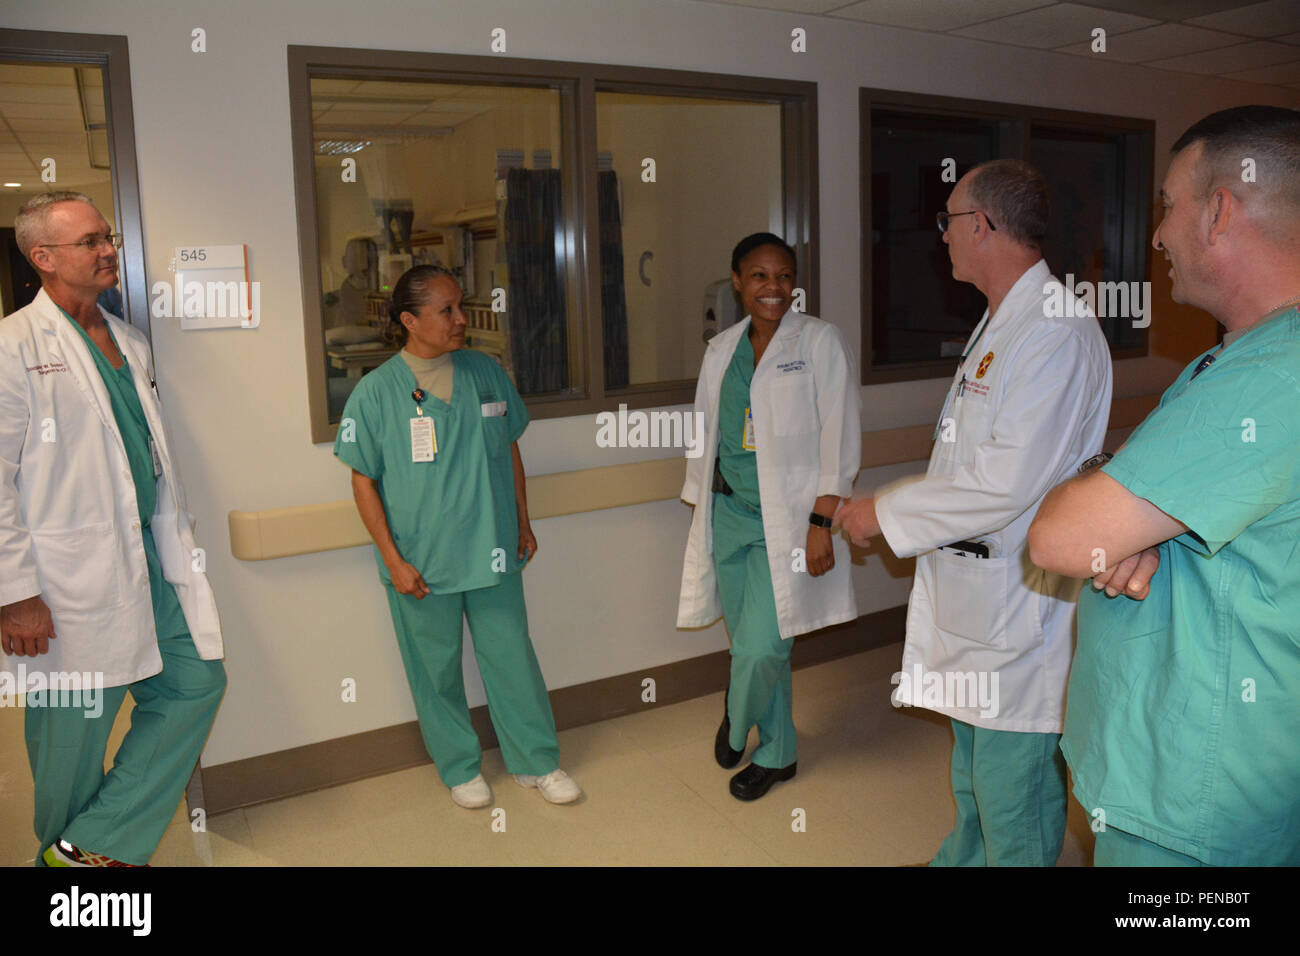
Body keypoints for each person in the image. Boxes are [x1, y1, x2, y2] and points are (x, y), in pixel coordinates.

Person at [1029, 106, 1300, 866]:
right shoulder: (1233, 361)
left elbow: (1058, 539)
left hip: (1203, 807)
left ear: (1218, 211)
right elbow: (1119, 506)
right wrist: (1120, 516)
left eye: (1168, 205)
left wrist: (1105, 518)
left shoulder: (1273, 376)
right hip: (1190, 771)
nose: (1156, 235)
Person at [837, 160, 1112, 865]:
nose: (943, 238)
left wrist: (884, 511)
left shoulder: (1053, 330)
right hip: (977, 605)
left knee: (1010, 794)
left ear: (984, 226)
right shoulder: (1002, 323)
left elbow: (1002, 481)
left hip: (1019, 617)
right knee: (972, 781)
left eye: (949, 221)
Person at [0, 191, 227, 866]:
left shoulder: (128, 341)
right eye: (91, 242)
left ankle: (87, 847)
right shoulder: (13, 347)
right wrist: (14, 592)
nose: (108, 252)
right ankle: (73, 879)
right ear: (43, 258)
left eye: (108, 239)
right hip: (60, 581)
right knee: (72, 738)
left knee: (196, 686)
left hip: (147, 564)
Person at [334, 263, 580, 808]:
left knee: (512, 658)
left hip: (492, 549)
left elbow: (509, 447)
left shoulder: (486, 373)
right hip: (421, 562)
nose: (460, 319)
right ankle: (460, 768)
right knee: (435, 671)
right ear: (409, 320)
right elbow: (363, 481)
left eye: (460, 306)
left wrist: (522, 519)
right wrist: (393, 560)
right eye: (446, 310)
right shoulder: (375, 394)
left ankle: (536, 761)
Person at [677, 233, 861, 801]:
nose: (773, 288)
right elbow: (705, 432)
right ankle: (779, 755)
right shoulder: (722, 348)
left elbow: (840, 431)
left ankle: (737, 719)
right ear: (737, 281)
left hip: (790, 520)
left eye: (784, 276)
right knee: (760, 641)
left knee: (763, 646)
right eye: (759, 276)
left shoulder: (819, 341)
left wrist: (823, 519)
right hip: (728, 513)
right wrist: (701, 502)